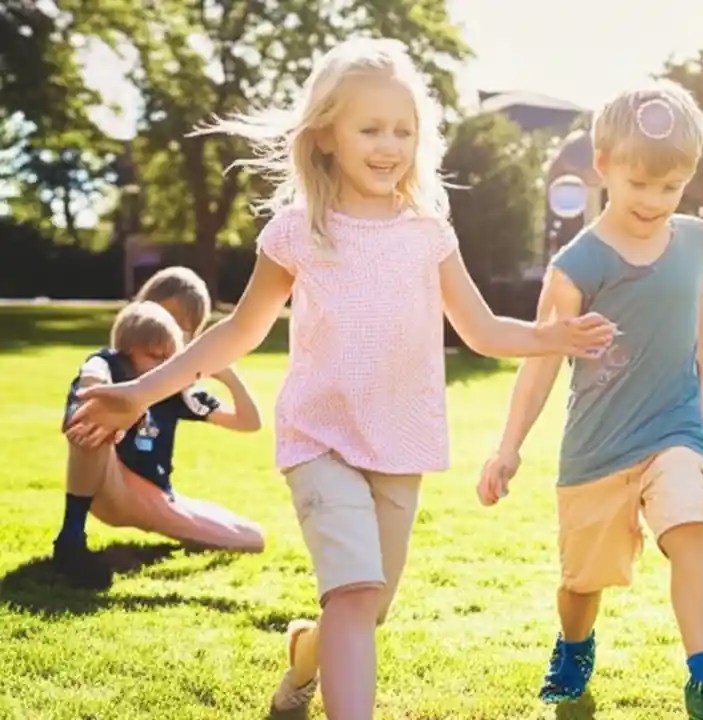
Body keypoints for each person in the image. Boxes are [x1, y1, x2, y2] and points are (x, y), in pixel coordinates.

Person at [66, 38, 616, 720]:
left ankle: (306, 654)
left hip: (399, 446)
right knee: (354, 595)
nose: (389, 146)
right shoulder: (298, 231)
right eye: (371, 129)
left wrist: (550, 336)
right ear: (326, 135)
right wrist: (139, 392)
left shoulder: (428, 233)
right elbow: (239, 332)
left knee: (368, 605)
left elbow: (478, 329)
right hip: (319, 441)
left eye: (403, 131)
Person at [476, 82, 703, 720]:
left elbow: (693, 306)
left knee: (692, 526)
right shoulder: (578, 265)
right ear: (603, 164)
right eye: (640, 183)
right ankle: (574, 644)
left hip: (674, 428)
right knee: (581, 584)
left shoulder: (693, 239)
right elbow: (541, 357)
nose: (655, 200)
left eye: (671, 186)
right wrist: (508, 448)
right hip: (598, 447)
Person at [54, 300, 263, 589]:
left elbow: (249, 422)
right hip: (108, 482)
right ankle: (71, 537)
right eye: (154, 356)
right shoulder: (107, 366)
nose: (162, 367)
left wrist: (227, 374)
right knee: (94, 421)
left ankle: (190, 510)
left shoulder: (174, 390)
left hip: (152, 497)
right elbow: (92, 377)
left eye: (169, 360)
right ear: (126, 351)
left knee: (252, 539)